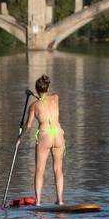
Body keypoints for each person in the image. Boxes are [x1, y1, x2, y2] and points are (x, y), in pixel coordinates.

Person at [26, 74, 65, 205]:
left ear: (36, 90)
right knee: (58, 169)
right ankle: (60, 200)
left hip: (45, 135)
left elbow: (28, 126)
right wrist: (41, 95)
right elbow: (48, 96)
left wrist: (19, 137)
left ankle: (38, 202)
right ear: (47, 88)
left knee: (39, 170)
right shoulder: (55, 98)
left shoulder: (34, 106)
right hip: (58, 134)